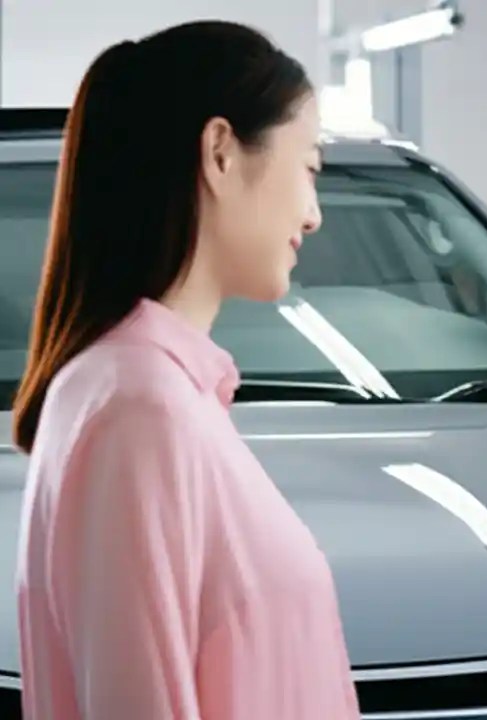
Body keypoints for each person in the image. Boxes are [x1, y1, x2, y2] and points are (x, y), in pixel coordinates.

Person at [11, 21, 360, 720]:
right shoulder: (139, 407)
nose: (314, 215)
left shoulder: (164, 393)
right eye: (309, 167)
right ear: (222, 153)